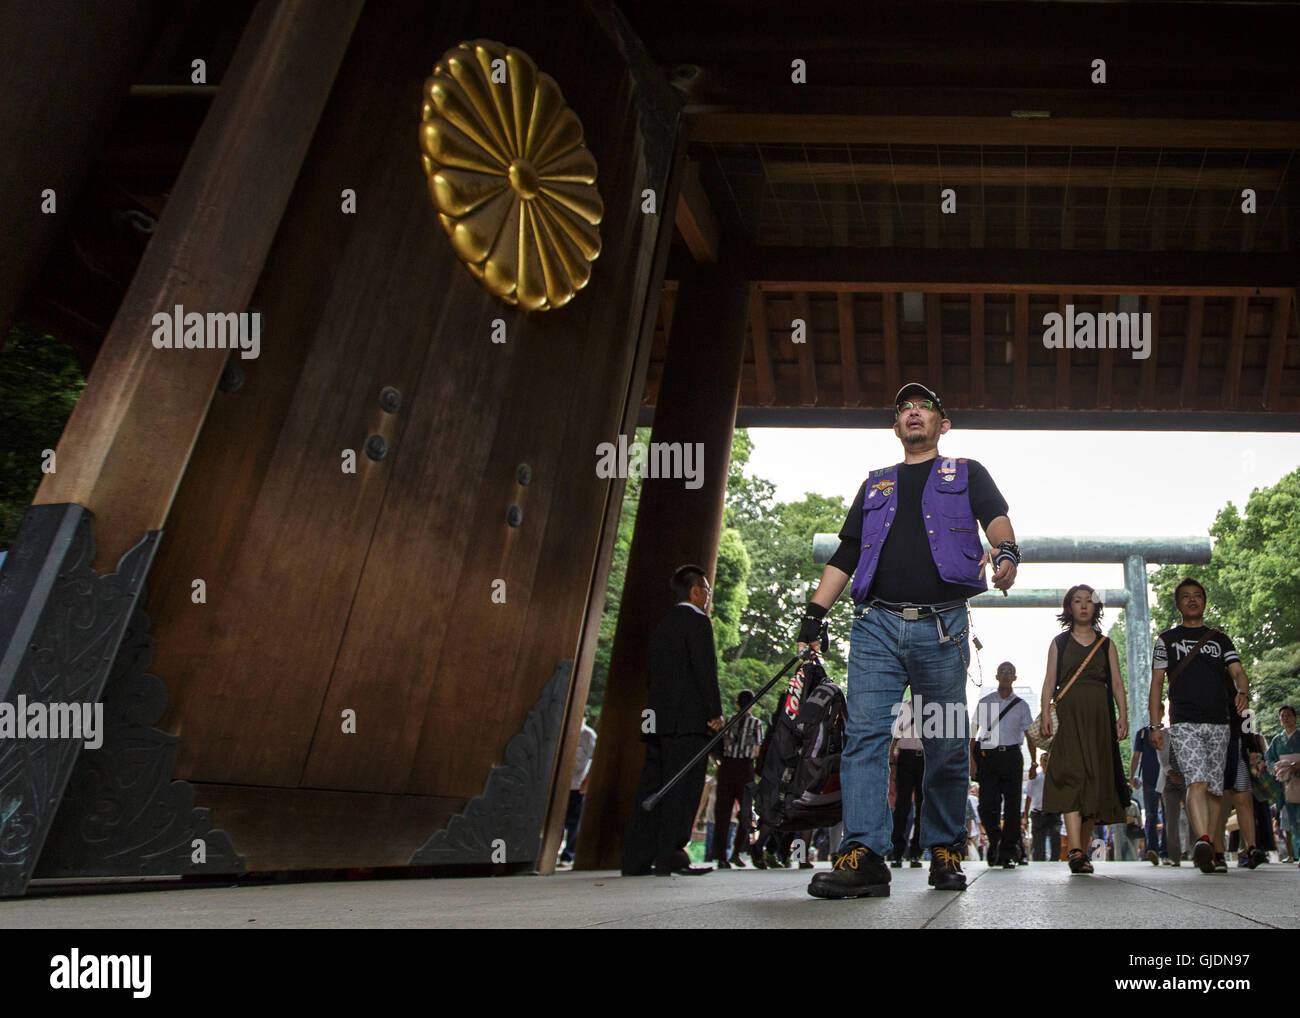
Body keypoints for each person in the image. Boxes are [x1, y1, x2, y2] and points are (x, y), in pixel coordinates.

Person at [796, 383, 1018, 898]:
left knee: (944, 741)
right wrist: (814, 615)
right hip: (875, 624)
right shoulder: (876, 485)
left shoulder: (967, 472)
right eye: (903, 409)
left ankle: (944, 848)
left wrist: (1006, 551)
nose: (912, 413)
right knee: (866, 736)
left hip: (942, 627)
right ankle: (865, 852)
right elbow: (846, 553)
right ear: (896, 428)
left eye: (924, 407)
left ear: (943, 424)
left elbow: (996, 518)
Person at [622, 565, 724, 877]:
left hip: (657, 720)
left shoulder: (663, 625)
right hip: (689, 722)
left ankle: (636, 858)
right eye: (705, 589)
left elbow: (652, 675)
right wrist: (714, 713)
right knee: (682, 787)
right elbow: (704, 671)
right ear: (695, 592)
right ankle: (671, 855)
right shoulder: (697, 623)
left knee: (651, 787)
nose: (707, 596)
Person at [1148, 578, 1250, 875]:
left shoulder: (1220, 639)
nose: (1192, 600)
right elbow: (1156, 684)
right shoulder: (1165, 640)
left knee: (1216, 790)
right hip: (1184, 721)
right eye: (1185, 596)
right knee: (1198, 780)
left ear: (1204, 602)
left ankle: (1215, 849)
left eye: (1197, 596)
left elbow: (1238, 673)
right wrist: (1155, 724)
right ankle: (1203, 842)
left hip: (1220, 721)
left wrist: (1242, 692)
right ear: (1178, 604)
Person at [1038, 585, 1129, 875]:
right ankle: (1076, 850)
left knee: (1095, 781)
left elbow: (1116, 683)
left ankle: (1081, 849)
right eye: (1077, 601)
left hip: (1100, 719)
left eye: (1089, 601)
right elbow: (1049, 681)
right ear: (1069, 608)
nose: (1084, 606)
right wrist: (1044, 714)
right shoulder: (1059, 643)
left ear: (1096, 607)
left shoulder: (1106, 644)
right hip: (1068, 717)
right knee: (1072, 777)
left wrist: (1123, 715)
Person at [971, 661, 1035, 868]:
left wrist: (1034, 762)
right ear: (996, 677)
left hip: (1012, 756)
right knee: (987, 805)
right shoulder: (985, 702)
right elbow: (973, 734)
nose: (1006, 675)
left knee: (1012, 806)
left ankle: (1007, 851)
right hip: (988, 757)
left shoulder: (1022, 706)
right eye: (1002, 672)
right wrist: (972, 762)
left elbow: (1030, 735)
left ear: (1015, 678)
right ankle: (995, 840)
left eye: (1010, 673)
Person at [712, 689, 764, 867]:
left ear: (736, 703)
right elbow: (757, 750)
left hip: (727, 766)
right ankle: (737, 852)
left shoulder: (727, 721)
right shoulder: (756, 724)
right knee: (745, 813)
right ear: (753, 704)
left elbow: (715, 745)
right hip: (745, 768)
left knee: (722, 811)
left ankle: (720, 855)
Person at [889, 698, 925, 867]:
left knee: (922, 807)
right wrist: (891, 763)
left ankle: (916, 852)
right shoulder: (904, 706)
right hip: (905, 758)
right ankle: (897, 852)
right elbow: (894, 737)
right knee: (902, 806)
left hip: (925, 759)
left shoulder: (933, 704)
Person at [558, 714, 597, 865]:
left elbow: (593, 759)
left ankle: (568, 854)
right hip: (562, 784)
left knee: (574, 820)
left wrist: (586, 782)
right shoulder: (564, 730)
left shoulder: (589, 735)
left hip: (577, 783)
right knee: (558, 819)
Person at [1265, 705, 1300, 866]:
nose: (1285, 718)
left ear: (1295, 718)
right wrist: (1276, 767)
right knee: (1288, 819)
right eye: (1282, 716)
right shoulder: (1277, 740)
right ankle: (1293, 853)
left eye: (1288, 715)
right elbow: (1269, 758)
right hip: (1285, 781)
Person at [1130, 721, 1164, 865]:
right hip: (1151, 779)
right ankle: (1154, 850)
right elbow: (1136, 756)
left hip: (1164, 776)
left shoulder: (1166, 731)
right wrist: (1131, 775)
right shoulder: (1142, 733)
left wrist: (1131, 775)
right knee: (1153, 815)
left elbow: (1136, 756)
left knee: (1156, 815)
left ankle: (1160, 849)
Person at [1025, 751, 1061, 862]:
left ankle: (1055, 861)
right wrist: (1025, 815)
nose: (1046, 762)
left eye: (1048, 760)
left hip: (1054, 812)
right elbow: (1028, 797)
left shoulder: (1057, 778)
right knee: (1038, 842)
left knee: (1055, 835)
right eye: (1043, 760)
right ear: (1040, 762)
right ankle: (1038, 863)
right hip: (1038, 813)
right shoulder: (1034, 778)